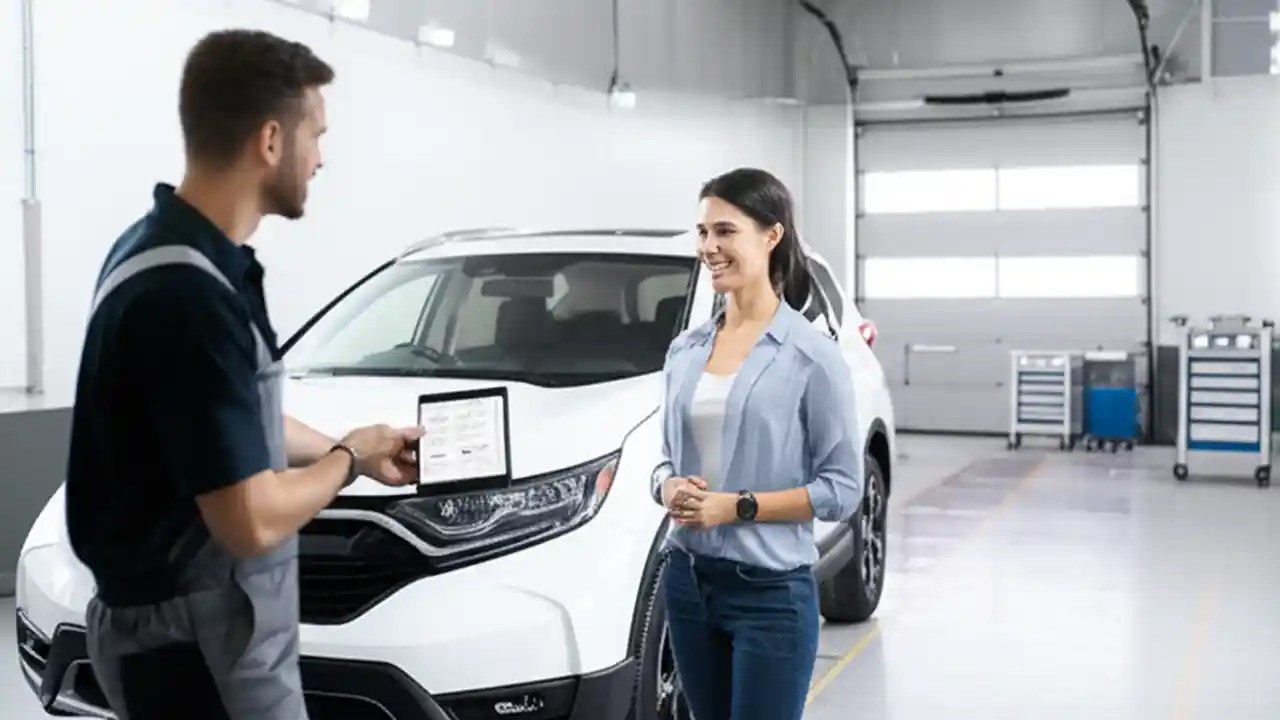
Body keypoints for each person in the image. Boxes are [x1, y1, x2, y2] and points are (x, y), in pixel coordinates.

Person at [64, 29, 423, 719]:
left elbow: (217, 421)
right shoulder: (190, 297)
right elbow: (251, 523)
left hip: (177, 645)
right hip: (202, 656)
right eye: (315, 134)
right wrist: (348, 462)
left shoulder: (158, 253)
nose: (321, 158)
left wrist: (354, 445)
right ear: (269, 140)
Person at [649, 167, 863, 720]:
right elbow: (666, 459)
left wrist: (737, 506)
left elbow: (842, 489)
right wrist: (666, 484)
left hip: (769, 594)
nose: (709, 247)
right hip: (688, 584)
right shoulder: (685, 351)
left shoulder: (812, 356)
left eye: (725, 231)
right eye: (702, 233)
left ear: (772, 236)